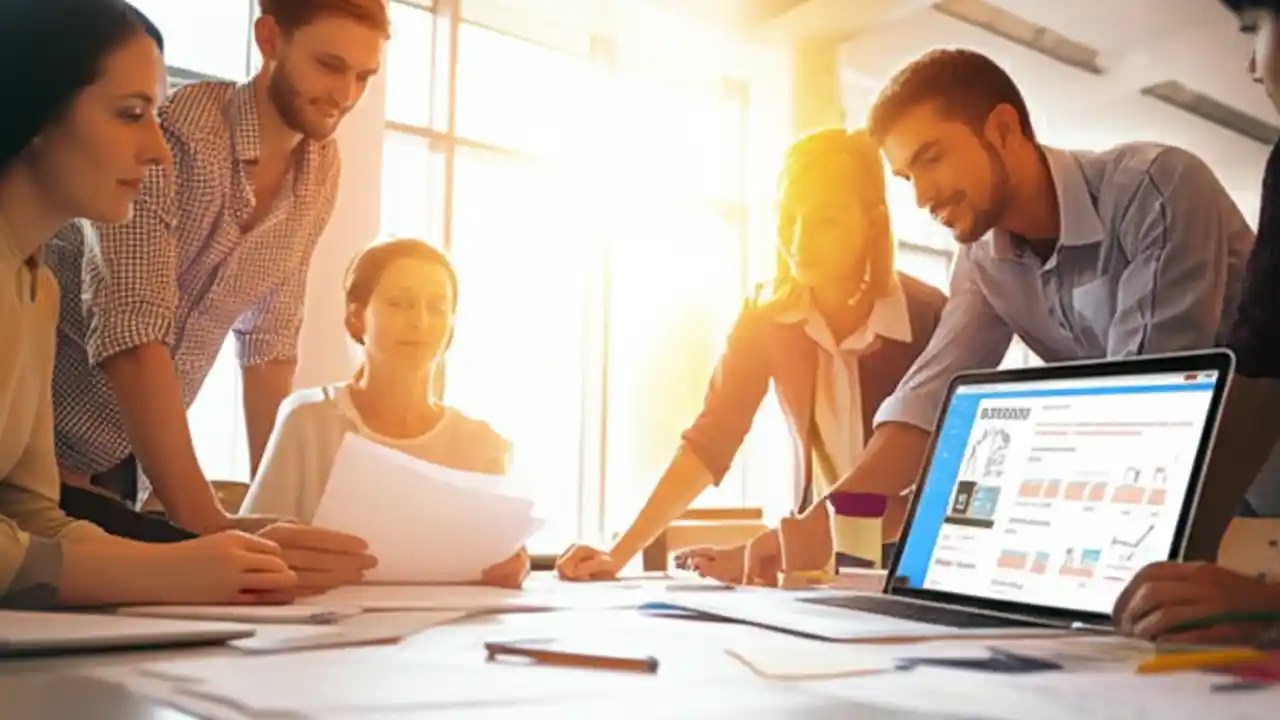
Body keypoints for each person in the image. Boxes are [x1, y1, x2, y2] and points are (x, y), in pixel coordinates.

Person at [757, 47, 1256, 582]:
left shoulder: (1156, 188)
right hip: (1147, 507)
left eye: (932, 158)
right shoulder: (981, 261)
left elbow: (1142, 407)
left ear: (1001, 128)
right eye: (907, 177)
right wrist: (817, 524)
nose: (923, 196)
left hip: (1254, 490)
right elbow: (925, 405)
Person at [45, 0, 388, 539]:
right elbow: (133, 338)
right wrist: (207, 521)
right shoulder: (180, 135)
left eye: (363, 76)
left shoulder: (321, 169)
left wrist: (275, 514)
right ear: (270, 40)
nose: (346, 96)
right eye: (329, 65)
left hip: (118, 462)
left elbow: (269, 348)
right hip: (31, 443)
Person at [0, 0, 301, 608]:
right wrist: (170, 569)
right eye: (132, 114)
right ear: (35, 101)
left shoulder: (37, 287)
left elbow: (30, 512)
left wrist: (217, 559)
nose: (159, 151)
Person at [556, 129, 947, 584]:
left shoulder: (928, 318)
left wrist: (780, 545)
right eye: (790, 217)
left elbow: (940, 483)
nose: (800, 239)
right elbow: (710, 441)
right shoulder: (768, 317)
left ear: (873, 224)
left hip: (916, 561)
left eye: (827, 221)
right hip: (814, 564)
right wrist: (618, 554)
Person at [1113, 0, 1280, 647]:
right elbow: (1259, 373)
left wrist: (1269, 605)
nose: (1250, 64)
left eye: (1254, 28)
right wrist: (1180, 571)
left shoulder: (1159, 182)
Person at [241, 239, 530, 589]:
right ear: (356, 317)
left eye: (437, 307)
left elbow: (501, 561)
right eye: (399, 304)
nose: (420, 321)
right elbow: (255, 556)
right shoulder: (307, 420)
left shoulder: (482, 445)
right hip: (325, 631)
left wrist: (514, 563)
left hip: (447, 634)